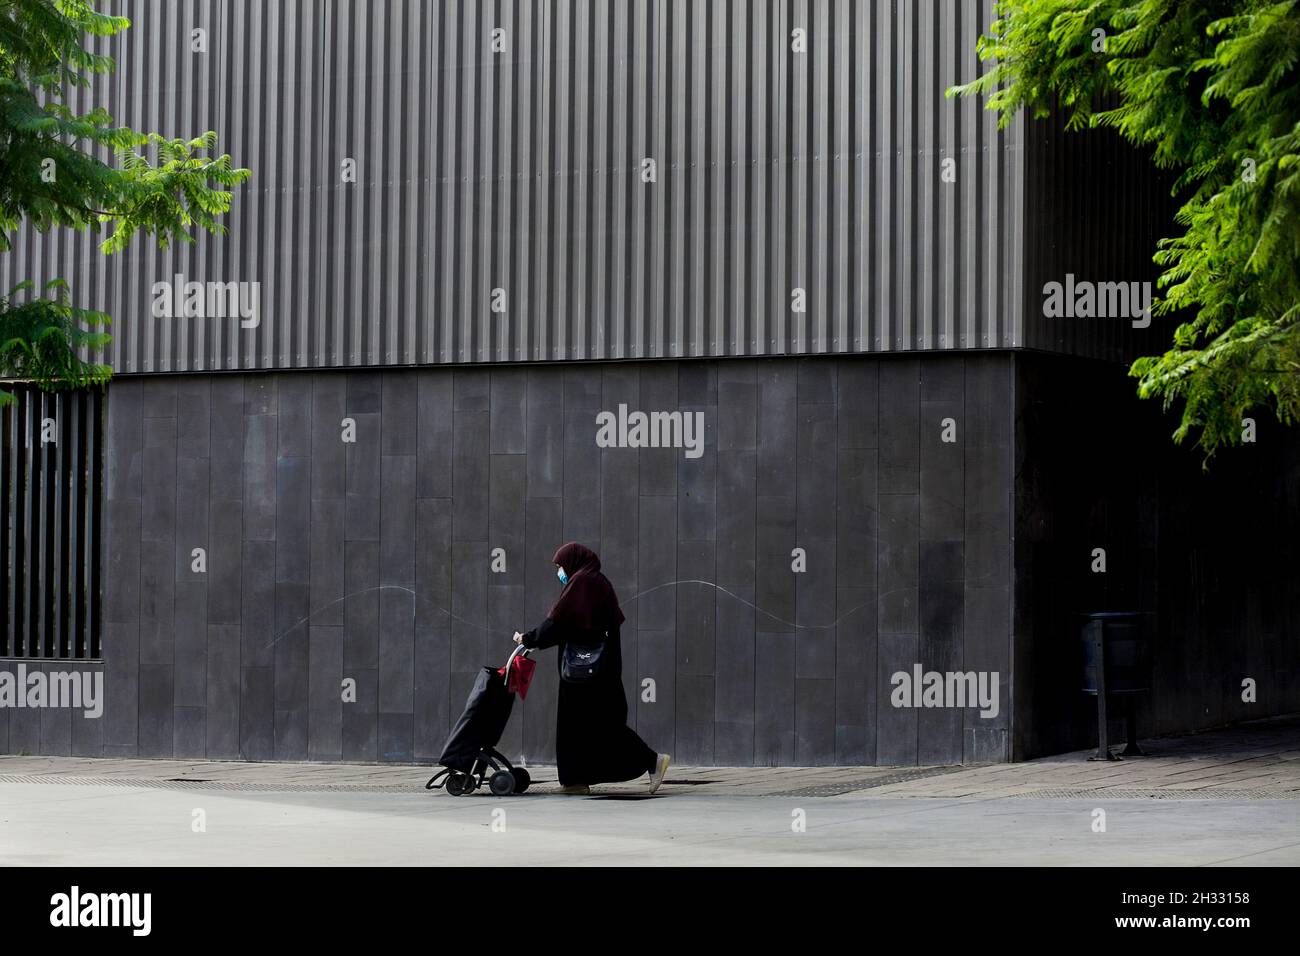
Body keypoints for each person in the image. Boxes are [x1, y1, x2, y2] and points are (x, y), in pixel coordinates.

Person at [514, 542, 671, 795]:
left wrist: (529, 639)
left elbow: (559, 622)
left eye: (560, 565)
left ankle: (652, 761)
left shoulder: (584, 583)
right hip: (594, 672)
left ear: (573, 561)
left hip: (588, 675)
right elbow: (571, 624)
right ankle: (575, 781)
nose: (559, 571)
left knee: (598, 726)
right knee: (584, 727)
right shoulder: (594, 581)